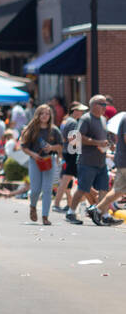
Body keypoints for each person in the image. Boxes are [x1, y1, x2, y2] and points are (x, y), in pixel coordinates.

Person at [68, 95, 114, 225]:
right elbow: (78, 137)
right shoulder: (86, 119)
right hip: (87, 161)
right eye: (102, 104)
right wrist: (97, 143)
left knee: (104, 188)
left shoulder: (104, 120)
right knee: (83, 188)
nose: (105, 107)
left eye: (106, 104)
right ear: (94, 105)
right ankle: (71, 212)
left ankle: (104, 215)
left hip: (101, 161)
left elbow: (105, 137)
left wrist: (109, 144)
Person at [19, 104, 64, 226]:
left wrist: (52, 147)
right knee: (35, 190)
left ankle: (45, 216)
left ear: (50, 116)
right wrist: (33, 155)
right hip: (35, 161)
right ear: (37, 115)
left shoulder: (54, 130)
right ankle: (33, 206)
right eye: (42, 113)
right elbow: (23, 147)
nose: (44, 116)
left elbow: (61, 146)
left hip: (49, 161)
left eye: (47, 114)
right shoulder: (31, 129)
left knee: (47, 190)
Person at [91, 101, 126, 225]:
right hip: (124, 161)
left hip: (122, 160)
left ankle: (97, 209)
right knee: (119, 190)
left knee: (119, 190)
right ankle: (97, 209)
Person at [53, 102, 86, 212]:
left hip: (67, 152)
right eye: (80, 110)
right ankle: (57, 204)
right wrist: (82, 144)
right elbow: (72, 140)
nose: (82, 113)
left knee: (67, 180)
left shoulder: (66, 121)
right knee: (67, 180)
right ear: (74, 111)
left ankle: (69, 203)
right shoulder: (72, 122)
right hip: (72, 153)